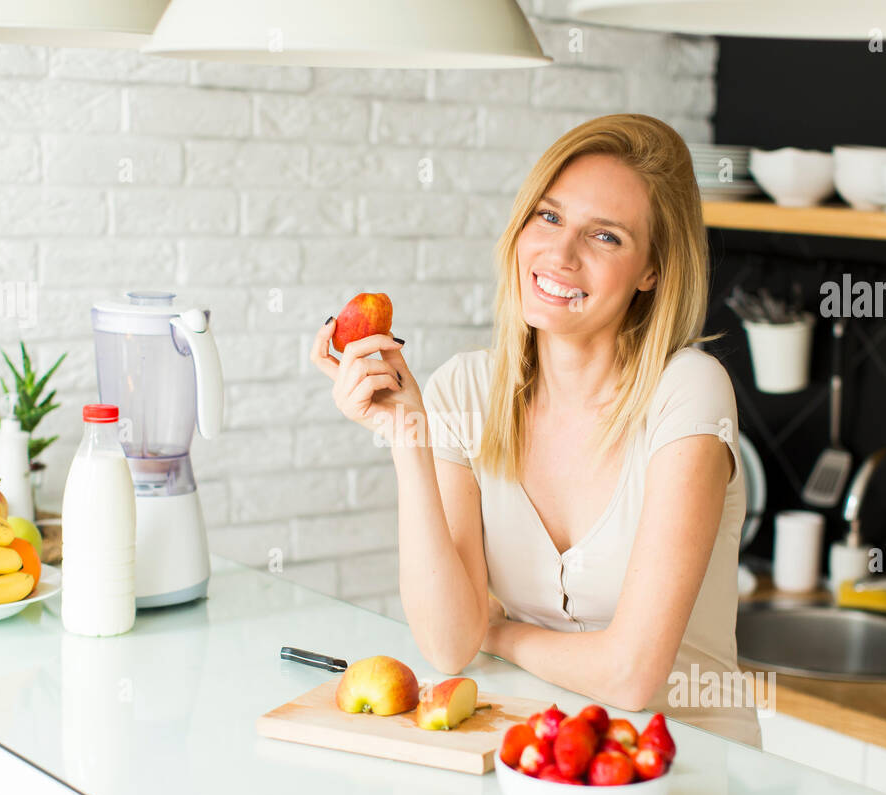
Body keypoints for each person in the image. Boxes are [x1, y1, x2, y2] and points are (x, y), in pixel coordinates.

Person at [310, 113, 762, 749]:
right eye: (548, 217)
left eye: (605, 237)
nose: (561, 254)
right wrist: (407, 436)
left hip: (692, 769)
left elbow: (632, 677)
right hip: (543, 759)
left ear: (652, 270)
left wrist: (498, 632)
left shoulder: (687, 391)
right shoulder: (465, 391)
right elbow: (446, 644)